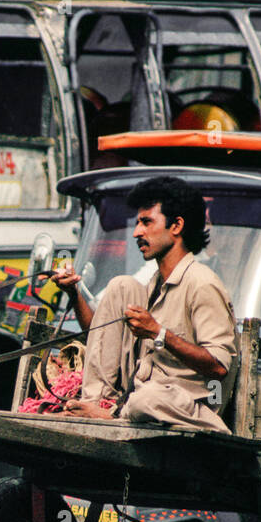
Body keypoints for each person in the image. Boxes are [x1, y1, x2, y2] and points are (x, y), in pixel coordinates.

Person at [51, 175, 238, 432]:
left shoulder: (202, 284)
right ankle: (96, 404)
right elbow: (101, 333)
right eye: (138, 222)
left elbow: (218, 366)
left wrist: (159, 333)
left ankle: (112, 417)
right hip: (138, 395)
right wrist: (74, 294)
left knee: (146, 399)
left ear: (176, 226)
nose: (137, 232)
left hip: (181, 405)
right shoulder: (153, 284)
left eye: (147, 222)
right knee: (120, 286)